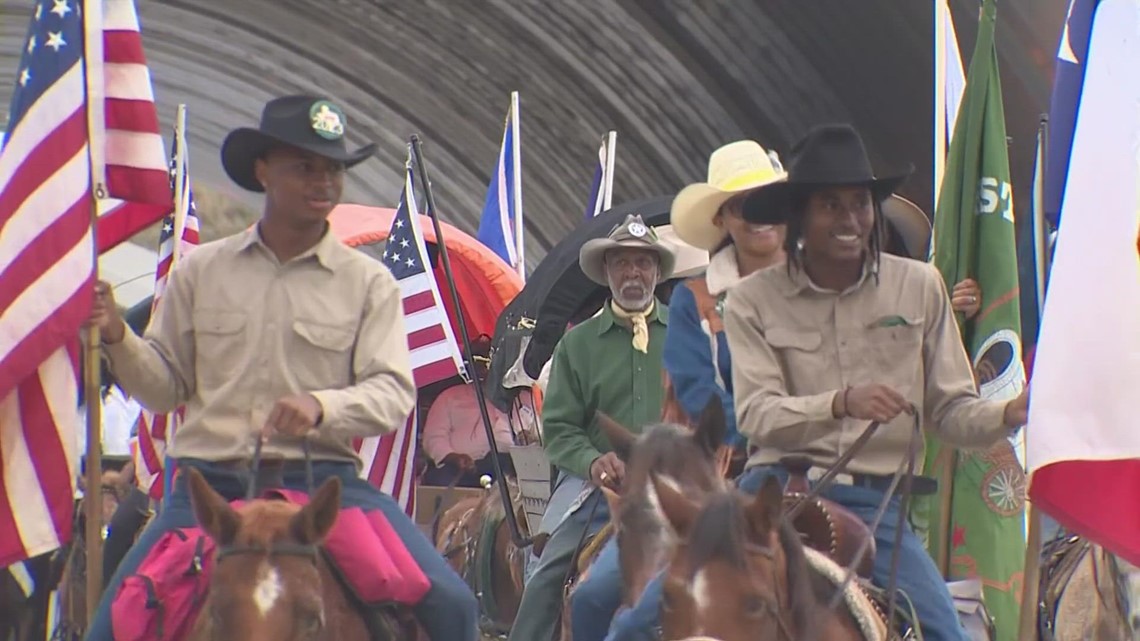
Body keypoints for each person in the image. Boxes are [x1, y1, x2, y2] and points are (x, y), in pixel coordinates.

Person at [608, 124, 1029, 641]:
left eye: (860, 203)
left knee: (947, 632)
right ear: (799, 216)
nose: (850, 218)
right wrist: (840, 403)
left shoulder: (920, 288)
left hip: (880, 511)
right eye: (831, 205)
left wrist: (1006, 415)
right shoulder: (747, 301)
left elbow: (951, 409)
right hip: (767, 499)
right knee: (637, 627)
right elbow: (757, 415)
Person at [84, 94, 478, 641]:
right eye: (306, 167)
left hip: (327, 486)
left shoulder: (367, 284)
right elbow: (163, 385)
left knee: (453, 607)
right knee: (109, 626)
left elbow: (392, 392)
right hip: (209, 489)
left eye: (334, 169)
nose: (324, 182)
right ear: (263, 170)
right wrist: (118, 338)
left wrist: (324, 406)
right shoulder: (201, 273)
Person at [507, 215, 676, 641]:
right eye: (623, 264)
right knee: (546, 572)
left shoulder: (685, 334)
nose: (633, 273)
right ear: (607, 272)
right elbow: (560, 429)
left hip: (675, 484)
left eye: (643, 264)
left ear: (657, 271)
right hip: (597, 488)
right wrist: (594, 461)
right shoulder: (577, 344)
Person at [663, 140, 789, 473]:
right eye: (743, 205)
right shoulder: (693, 300)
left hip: (832, 455)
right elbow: (698, 391)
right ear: (721, 219)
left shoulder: (823, 284)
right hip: (737, 464)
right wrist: (769, 433)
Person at [421, 345, 518, 487]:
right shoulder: (450, 396)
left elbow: (518, 437)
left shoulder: (514, 398)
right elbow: (434, 437)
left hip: (501, 465)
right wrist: (453, 457)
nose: (485, 369)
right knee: (441, 480)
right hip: (457, 467)